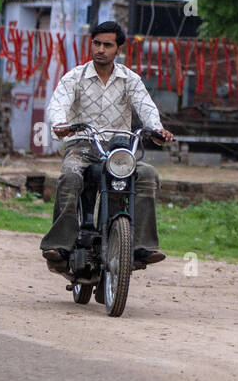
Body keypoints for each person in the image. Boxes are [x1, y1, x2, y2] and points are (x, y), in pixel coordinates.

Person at [39, 20, 176, 272]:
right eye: (97, 43)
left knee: (147, 175)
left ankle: (141, 246)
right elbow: (58, 104)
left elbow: (146, 107)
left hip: (118, 148)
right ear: (91, 44)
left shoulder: (129, 79)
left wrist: (156, 130)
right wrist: (61, 124)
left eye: (107, 45)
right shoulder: (75, 77)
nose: (101, 49)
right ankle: (59, 244)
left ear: (118, 50)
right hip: (82, 145)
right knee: (69, 175)